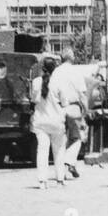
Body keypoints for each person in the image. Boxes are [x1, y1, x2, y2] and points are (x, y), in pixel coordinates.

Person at [49, 47, 95, 177]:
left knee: (61, 140)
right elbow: (82, 94)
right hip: (73, 108)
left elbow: (52, 91)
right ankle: (69, 161)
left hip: (58, 108)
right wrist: (86, 110)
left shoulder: (56, 72)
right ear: (72, 57)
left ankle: (63, 169)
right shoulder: (75, 72)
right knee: (77, 137)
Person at [31, 57, 68, 189]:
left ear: (42, 68)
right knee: (59, 151)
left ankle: (42, 181)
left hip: (40, 121)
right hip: (57, 121)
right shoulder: (59, 82)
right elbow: (64, 103)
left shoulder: (36, 82)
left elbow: (34, 100)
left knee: (42, 151)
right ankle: (60, 179)